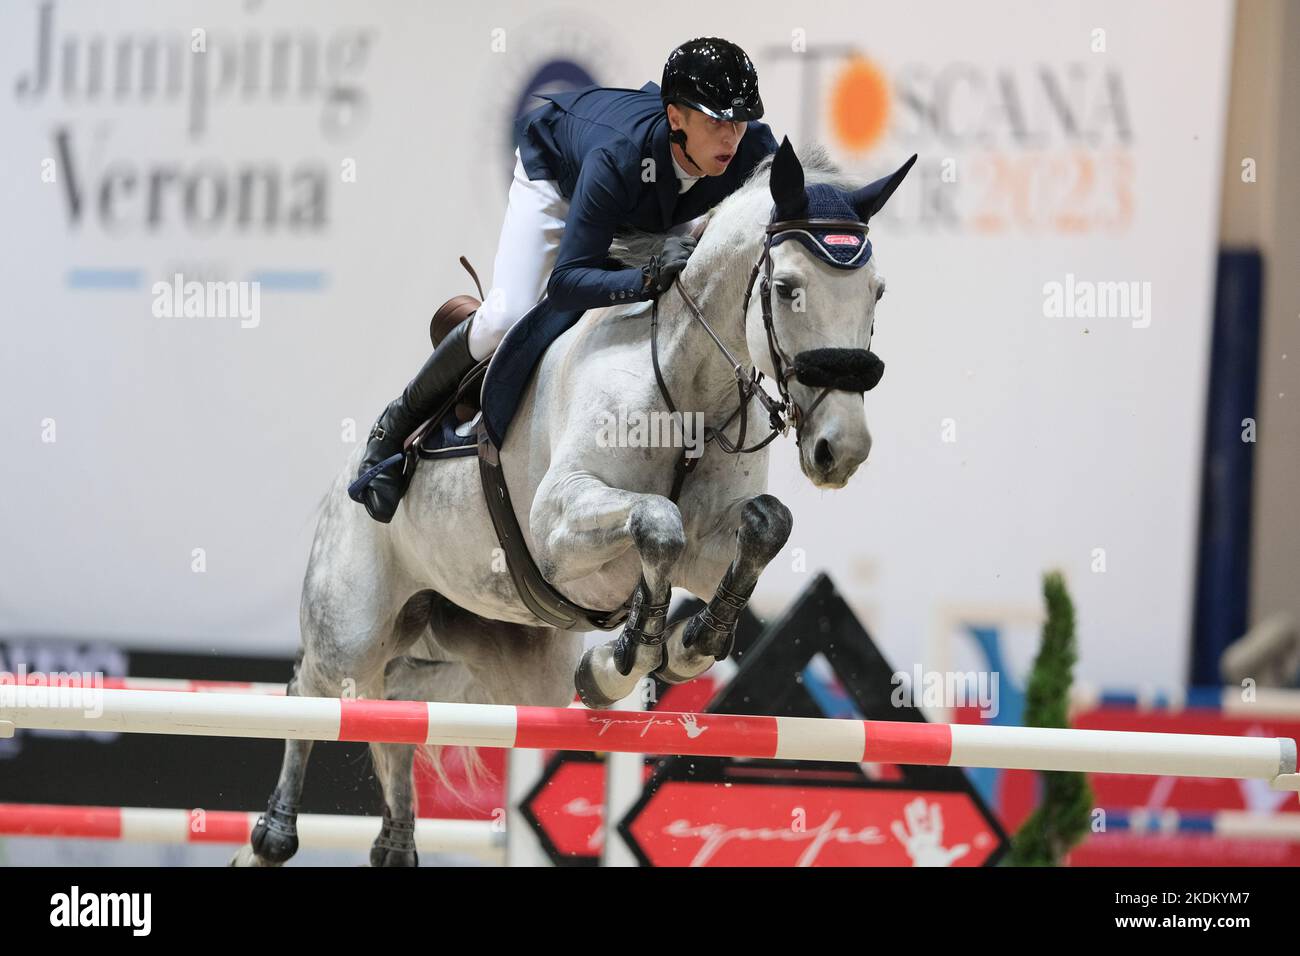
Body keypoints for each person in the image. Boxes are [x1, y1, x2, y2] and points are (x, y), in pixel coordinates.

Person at [355, 37, 781, 522]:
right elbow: (567, 283)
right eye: (716, 121)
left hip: (655, 204)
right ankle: (393, 426)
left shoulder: (754, 151)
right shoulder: (618, 158)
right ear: (676, 117)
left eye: (740, 120)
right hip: (560, 173)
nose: (732, 138)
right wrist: (644, 280)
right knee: (506, 317)